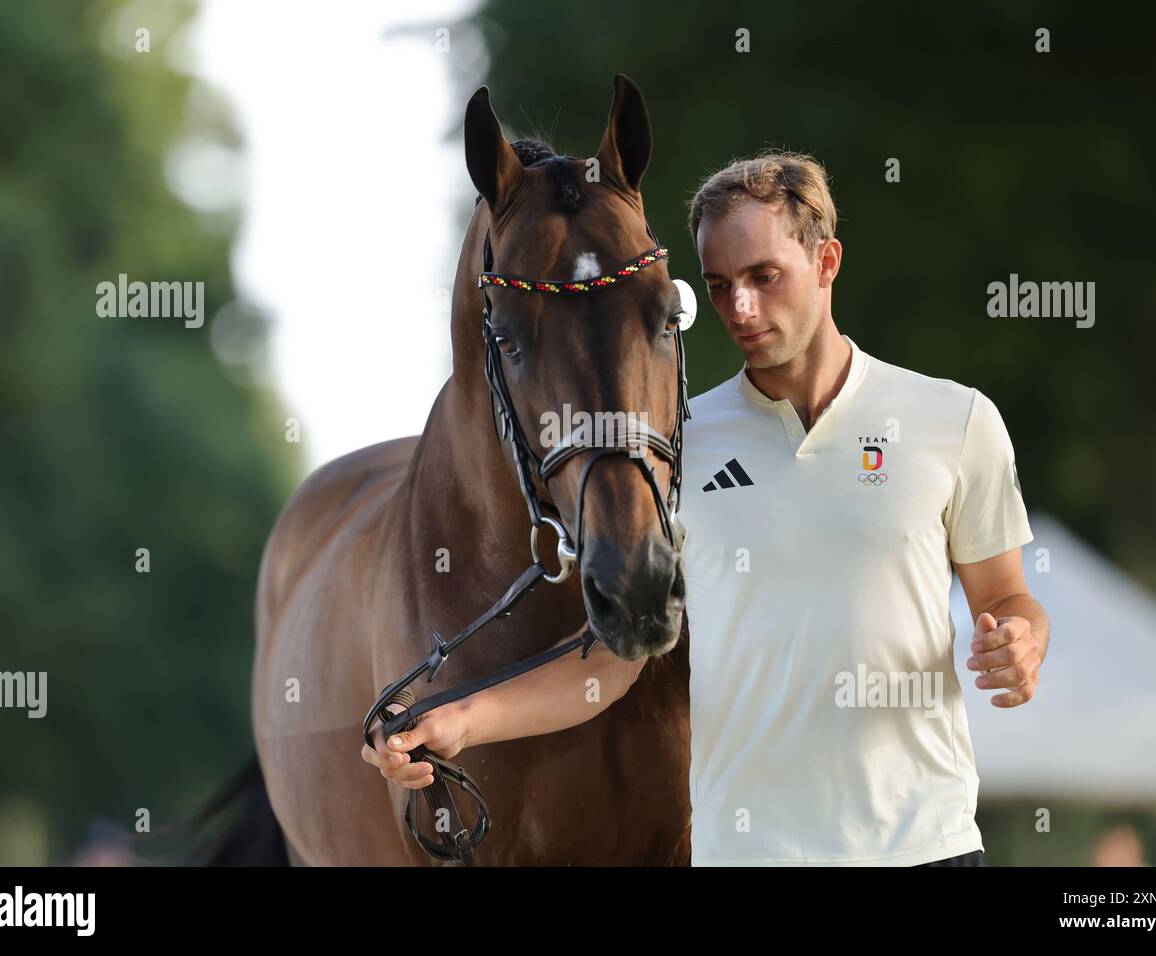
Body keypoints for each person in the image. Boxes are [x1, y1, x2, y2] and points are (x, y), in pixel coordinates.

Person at [363, 151, 1050, 866]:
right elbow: (614, 665)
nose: (741, 309)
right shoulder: (677, 451)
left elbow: (1008, 597)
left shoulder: (955, 421)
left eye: (763, 277)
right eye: (719, 286)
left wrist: (1023, 643)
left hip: (927, 847)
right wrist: (461, 719)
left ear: (827, 261)